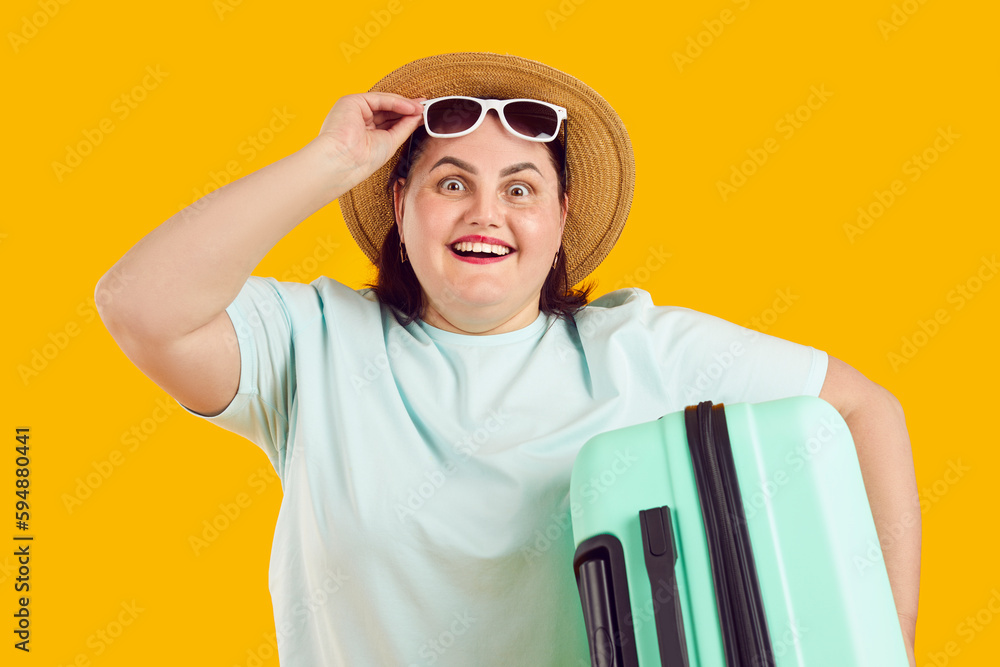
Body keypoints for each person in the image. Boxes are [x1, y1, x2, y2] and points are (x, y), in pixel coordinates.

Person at [95, 52, 920, 666]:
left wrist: (885, 643)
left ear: (560, 217)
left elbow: (863, 409)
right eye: (450, 182)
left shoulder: (640, 350)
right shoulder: (312, 341)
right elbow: (139, 307)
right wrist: (334, 159)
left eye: (520, 188)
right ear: (400, 204)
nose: (484, 212)